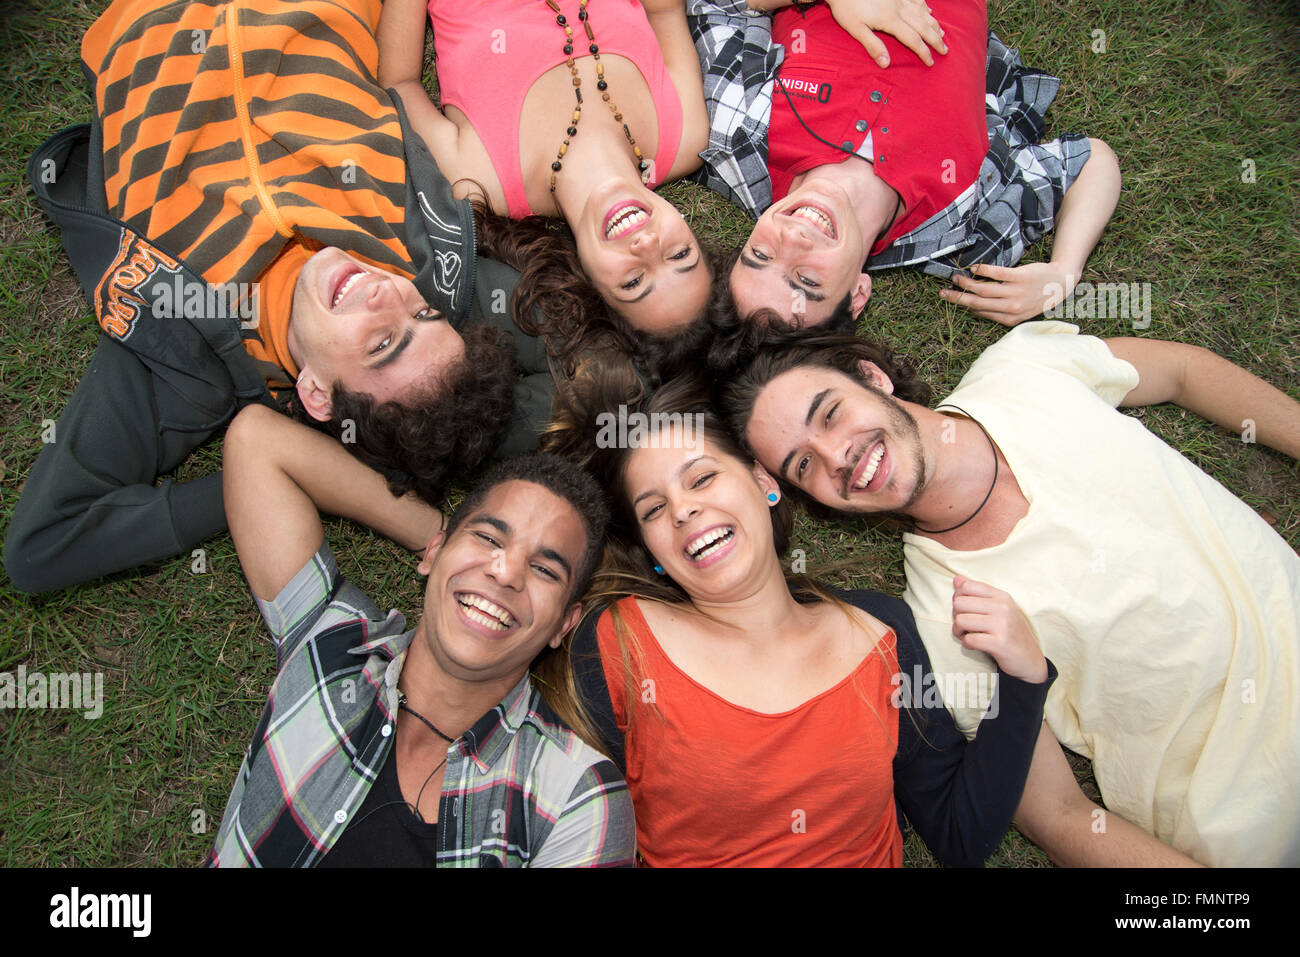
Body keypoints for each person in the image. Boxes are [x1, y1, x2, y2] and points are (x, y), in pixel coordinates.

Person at [5, 0, 555, 594]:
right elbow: (588, 370)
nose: (387, 294)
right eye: (422, 313)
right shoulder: (427, 265)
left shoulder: (180, 357)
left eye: (382, 342)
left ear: (315, 393)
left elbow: (45, 547)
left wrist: (318, 472)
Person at [721, 321, 1300, 866]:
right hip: (1256, 819)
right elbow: (1058, 815)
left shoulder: (1024, 370)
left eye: (830, 414)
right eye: (804, 466)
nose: (837, 457)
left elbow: (1179, 369)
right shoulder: (946, 622)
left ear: (873, 377)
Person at [545, 369, 1056, 866]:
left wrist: (1024, 681)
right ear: (654, 552)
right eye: (654, 510)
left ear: (764, 482)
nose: (682, 511)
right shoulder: (618, 642)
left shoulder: (879, 631)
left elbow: (958, 834)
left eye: (701, 478)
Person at [210, 406, 635, 867]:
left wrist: (460, 556)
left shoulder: (574, 798)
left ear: (563, 626)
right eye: (489, 539)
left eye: (544, 569)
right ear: (434, 549)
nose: (506, 571)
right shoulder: (330, 644)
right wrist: (443, 547)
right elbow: (257, 441)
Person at [689, 0, 1120, 328]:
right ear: (858, 294)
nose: (794, 237)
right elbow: (1090, 162)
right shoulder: (962, 226)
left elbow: (718, 5)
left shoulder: (741, 137)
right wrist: (1064, 272)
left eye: (760, 254)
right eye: (807, 281)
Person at [378, 0, 717, 351]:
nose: (647, 246)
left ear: (590, 285)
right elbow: (664, 11)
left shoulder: (482, 178)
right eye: (680, 256)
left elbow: (400, 83)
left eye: (633, 282)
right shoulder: (685, 134)